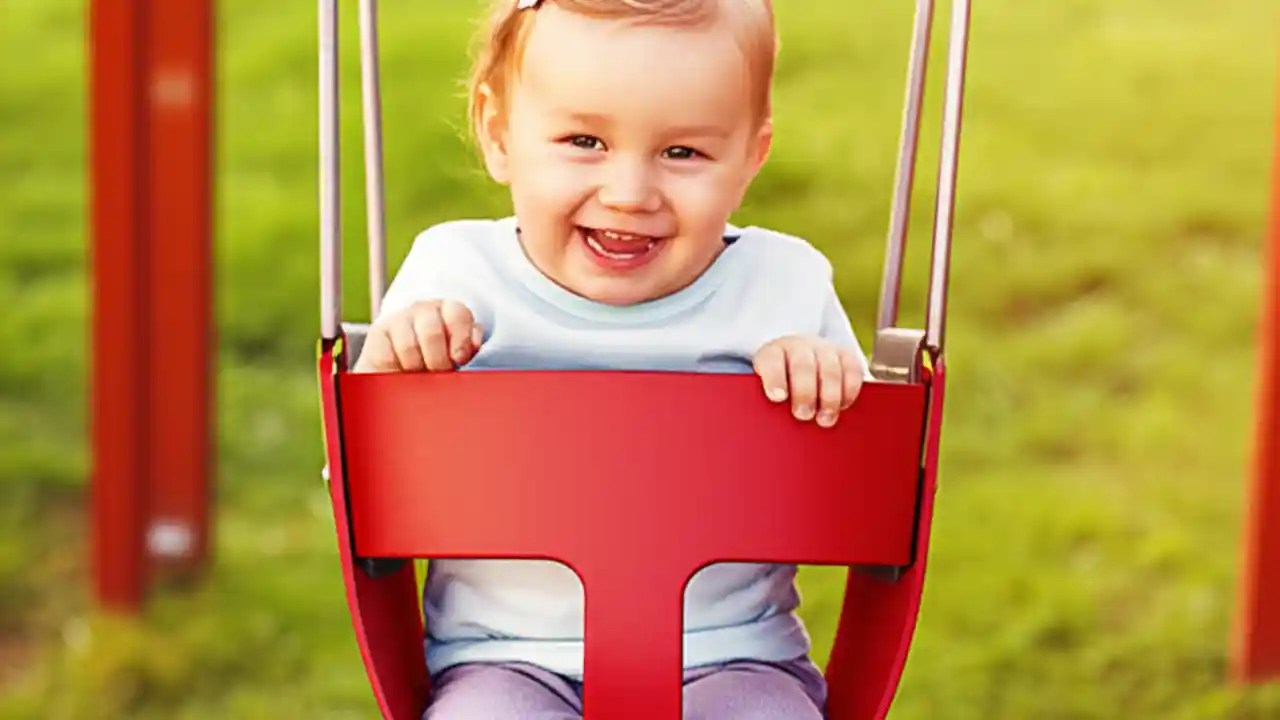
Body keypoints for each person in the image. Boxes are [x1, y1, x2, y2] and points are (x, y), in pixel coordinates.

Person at [354, 1, 870, 717]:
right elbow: (367, 485)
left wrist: (824, 383)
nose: (630, 194)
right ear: (499, 133)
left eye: (682, 152)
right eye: (584, 141)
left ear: (751, 157)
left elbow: (864, 492)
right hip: (504, 660)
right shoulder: (455, 276)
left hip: (732, 659)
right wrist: (394, 368)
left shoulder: (782, 287)